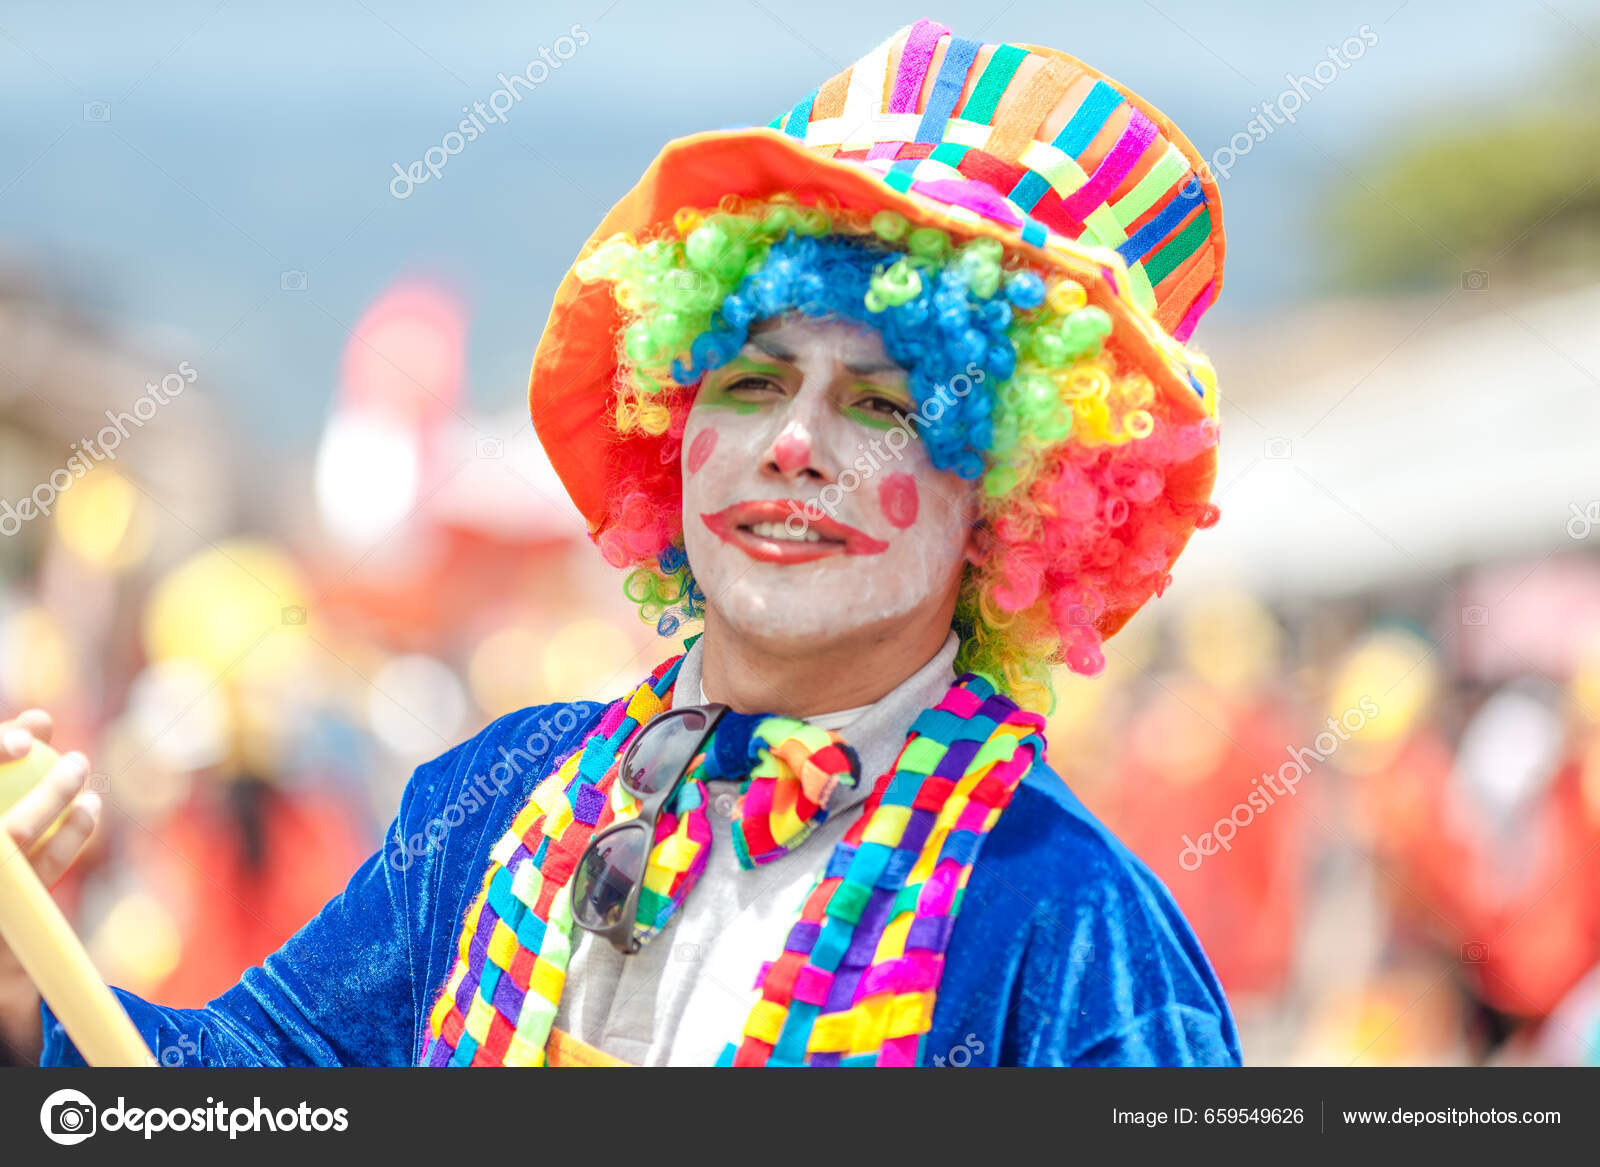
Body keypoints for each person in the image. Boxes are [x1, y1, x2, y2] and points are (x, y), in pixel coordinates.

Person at [2, 18, 1238, 1067]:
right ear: (675, 417)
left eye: (884, 404)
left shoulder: (1076, 935)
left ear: (1011, 501)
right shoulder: (493, 800)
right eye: (751, 382)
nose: (794, 445)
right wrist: (23, 967)